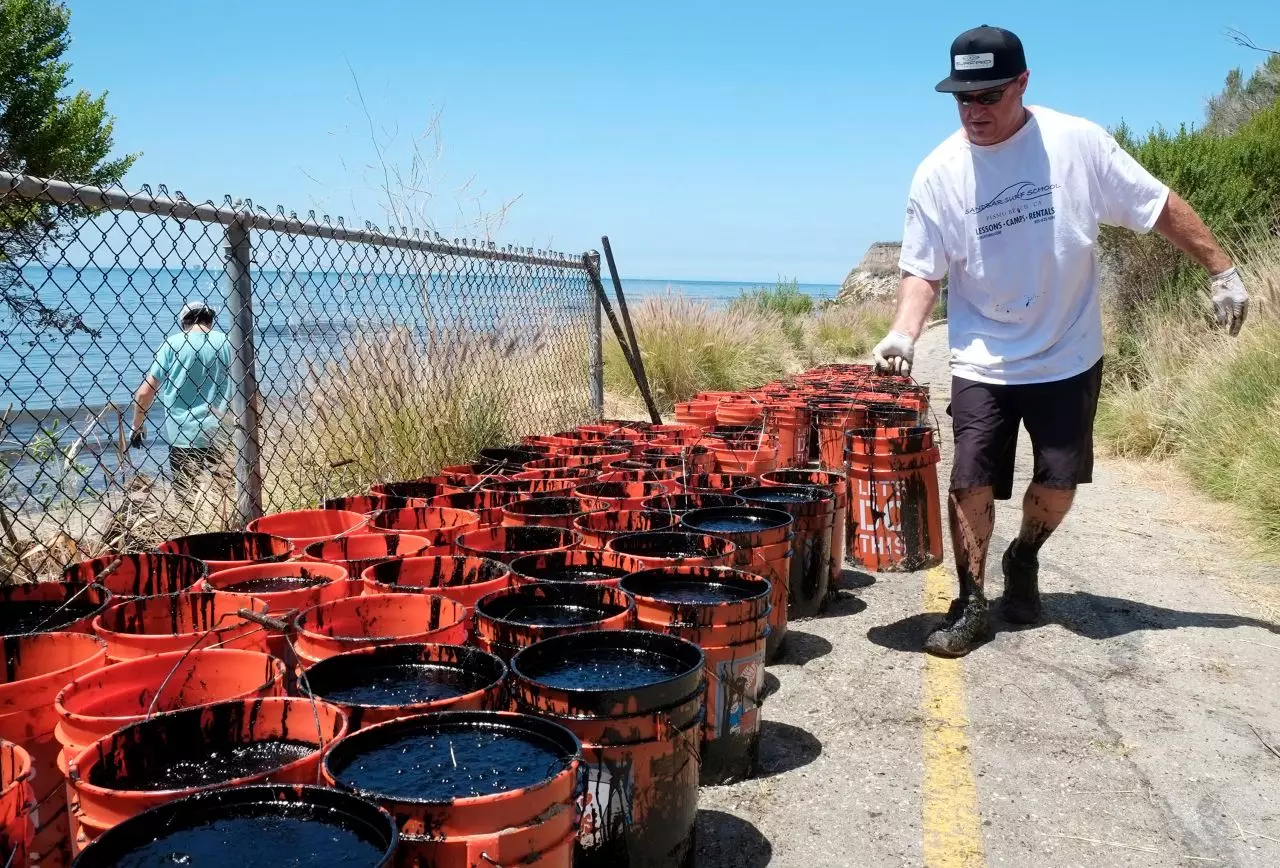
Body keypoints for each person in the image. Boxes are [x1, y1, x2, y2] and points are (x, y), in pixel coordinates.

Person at [873, 25, 1250, 658]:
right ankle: (971, 603)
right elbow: (923, 268)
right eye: (962, 97)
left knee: (1059, 482)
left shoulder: (1078, 144)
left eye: (989, 94)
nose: (975, 110)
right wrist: (903, 332)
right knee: (969, 477)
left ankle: (1024, 555)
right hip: (983, 356)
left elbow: (1156, 205)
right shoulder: (938, 172)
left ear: (1022, 83)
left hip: (1068, 350)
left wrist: (1223, 268)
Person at [130, 301, 233, 499]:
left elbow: (145, 393)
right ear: (210, 320)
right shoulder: (229, 342)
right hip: (223, 432)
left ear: (183, 323)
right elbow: (249, 389)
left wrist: (137, 425)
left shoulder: (173, 344)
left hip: (184, 434)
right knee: (225, 495)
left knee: (186, 496)